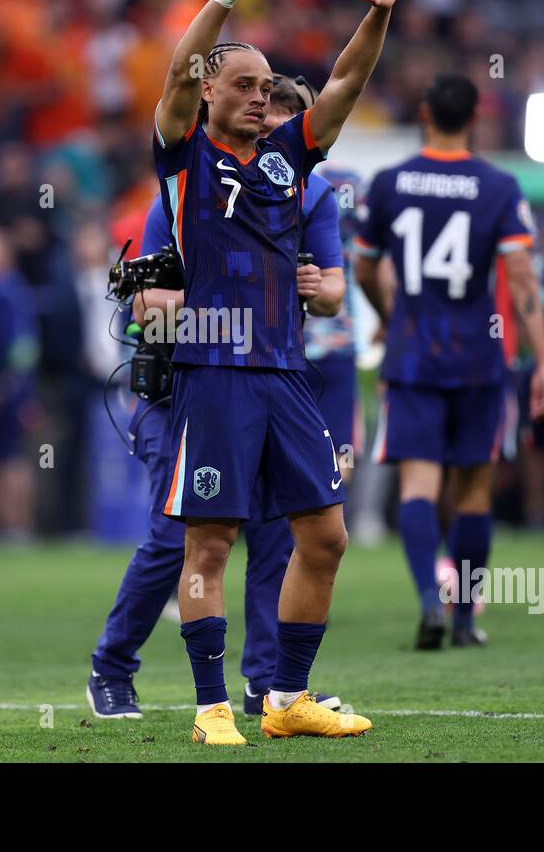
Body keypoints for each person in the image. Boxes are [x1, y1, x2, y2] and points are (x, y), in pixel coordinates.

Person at [152, 0, 397, 745]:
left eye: (266, 86)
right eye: (245, 84)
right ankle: (211, 706)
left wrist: (380, 16)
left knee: (324, 536)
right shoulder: (184, 156)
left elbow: (347, 85)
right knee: (212, 542)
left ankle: (286, 698)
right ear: (211, 91)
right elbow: (179, 74)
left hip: (285, 372)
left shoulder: (292, 158)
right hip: (214, 371)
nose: (261, 96)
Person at [88, 75, 347, 719]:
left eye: (285, 125)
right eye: (266, 116)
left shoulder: (309, 196)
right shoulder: (188, 188)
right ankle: (113, 666)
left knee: (275, 537)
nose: (271, 133)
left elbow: (335, 294)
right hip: (178, 387)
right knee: (175, 535)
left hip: (265, 384)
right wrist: (225, 307)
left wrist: (310, 286)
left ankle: (267, 685)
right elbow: (146, 307)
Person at [355, 72, 544, 650]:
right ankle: (465, 617)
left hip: (414, 352)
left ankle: (427, 601)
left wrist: (390, 314)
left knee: (419, 484)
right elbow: (521, 281)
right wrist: (542, 360)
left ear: (423, 112)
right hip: (478, 356)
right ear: (475, 118)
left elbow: (367, 268)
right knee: (473, 490)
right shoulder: (496, 186)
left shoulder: (390, 183)